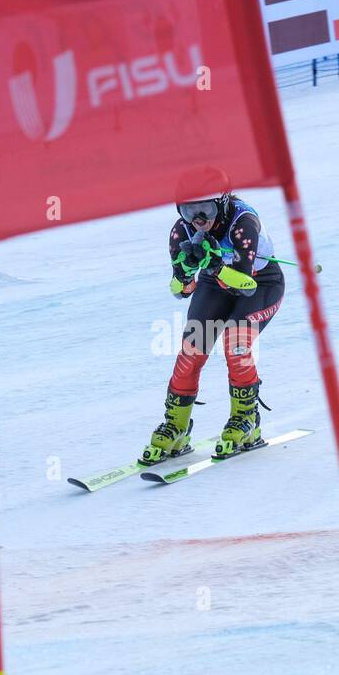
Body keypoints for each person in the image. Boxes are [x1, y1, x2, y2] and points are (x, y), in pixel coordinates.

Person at [140, 169, 285, 465]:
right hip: (214, 283)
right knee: (191, 351)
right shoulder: (181, 231)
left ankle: (246, 418)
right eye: (189, 210)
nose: (198, 219)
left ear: (223, 203)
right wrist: (183, 271)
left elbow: (245, 286)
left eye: (205, 209)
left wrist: (215, 264)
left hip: (261, 282)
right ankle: (177, 426)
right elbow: (181, 291)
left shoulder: (243, 223)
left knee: (237, 342)